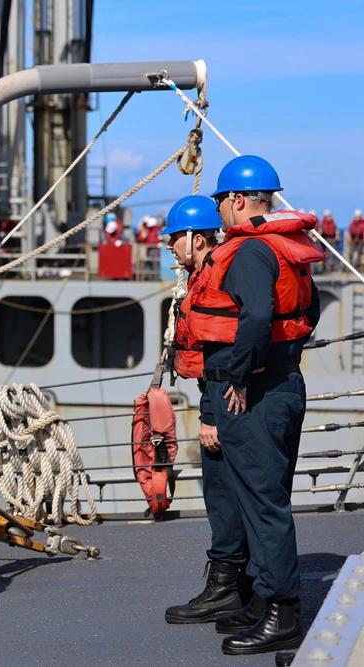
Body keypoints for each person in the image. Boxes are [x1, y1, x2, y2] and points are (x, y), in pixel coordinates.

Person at [190, 155, 325, 656]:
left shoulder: (250, 250)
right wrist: (281, 360)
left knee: (264, 504)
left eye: (220, 204)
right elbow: (308, 309)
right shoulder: (287, 247)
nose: (220, 213)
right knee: (261, 498)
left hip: (257, 393)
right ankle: (263, 599)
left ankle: (283, 614)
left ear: (236, 200)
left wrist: (242, 377)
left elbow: (254, 318)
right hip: (285, 382)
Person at [160, 196, 260, 627]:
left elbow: (217, 359)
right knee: (234, 495)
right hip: (226, 394)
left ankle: (225, 588)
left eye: (173, 239)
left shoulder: (215, 279)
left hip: (225, 399)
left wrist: (210, 416)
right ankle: (245, 587)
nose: (168, 246)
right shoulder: (208, 275)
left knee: (222, 496)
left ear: (196, 240)